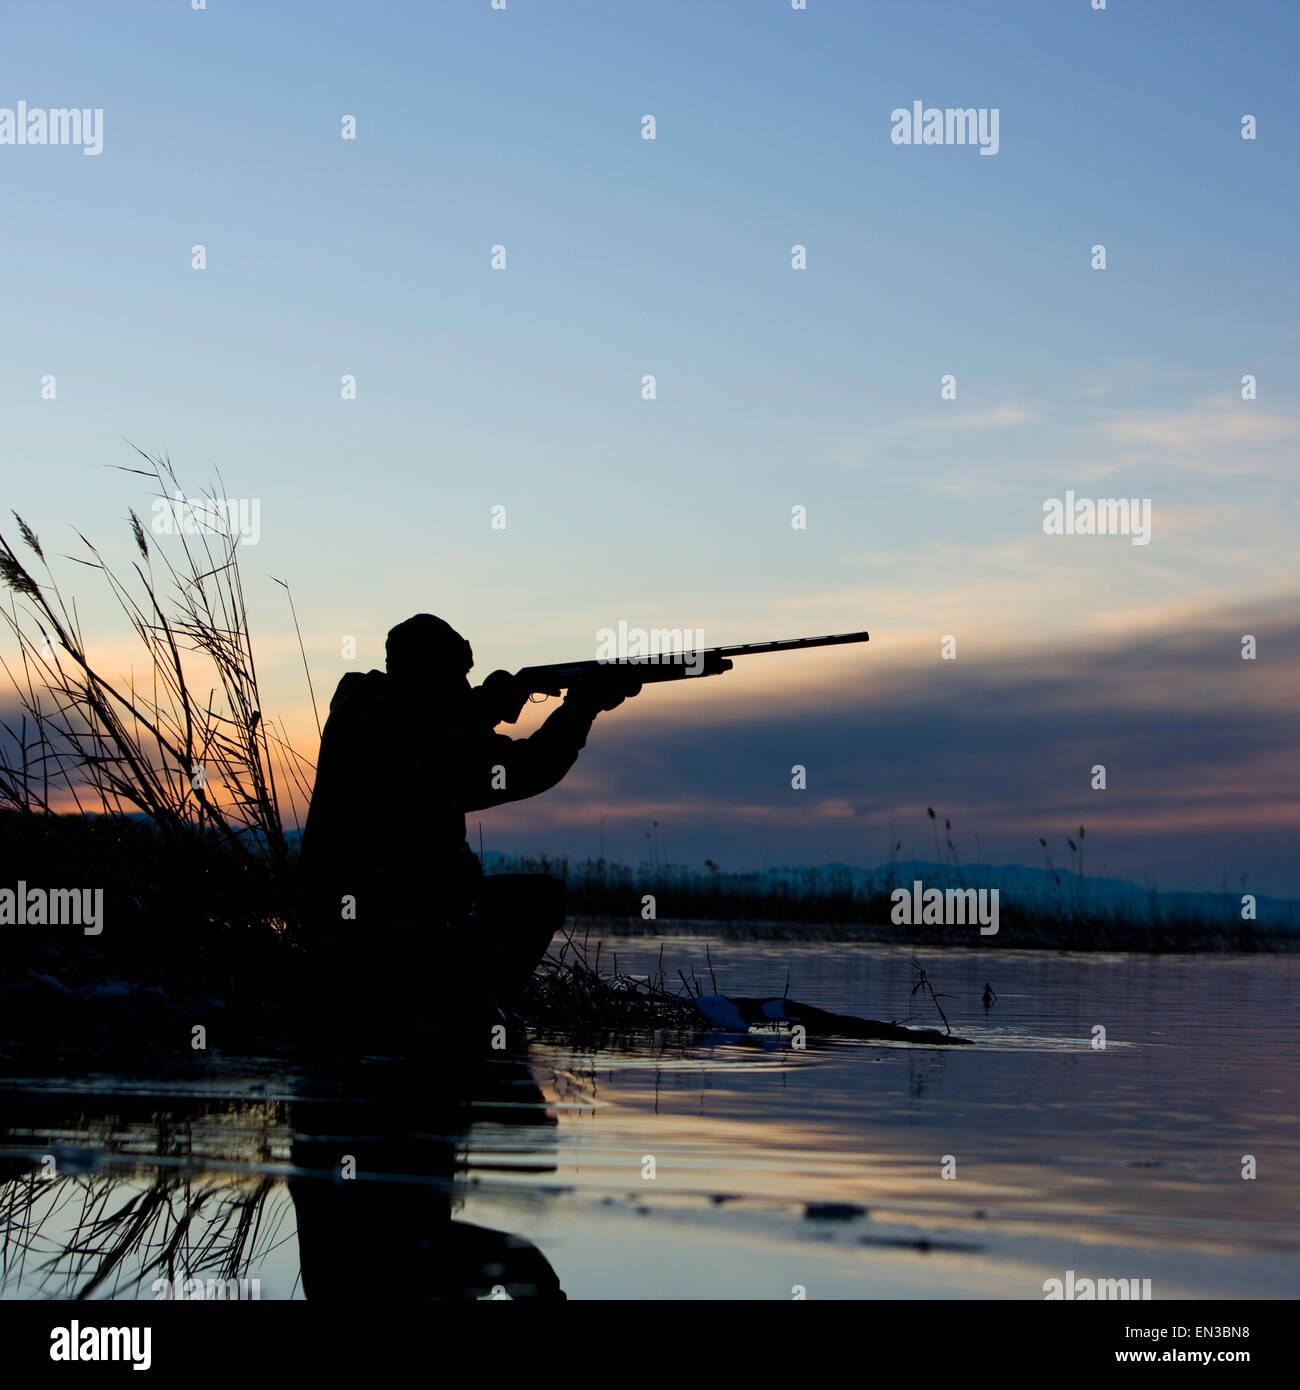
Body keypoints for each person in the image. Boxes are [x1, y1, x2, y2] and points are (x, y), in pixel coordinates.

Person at [298, 614, 639, 1028]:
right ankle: (464, 1015)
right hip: (381, 935)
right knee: (536, 900)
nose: (463, 688)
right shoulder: (397, 734)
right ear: (425, 677)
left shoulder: (362, 713)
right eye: (455, 677)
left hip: (355, 926)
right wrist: (581, 707)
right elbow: (525, 768)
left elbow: (434, 727)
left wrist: (486, 708)